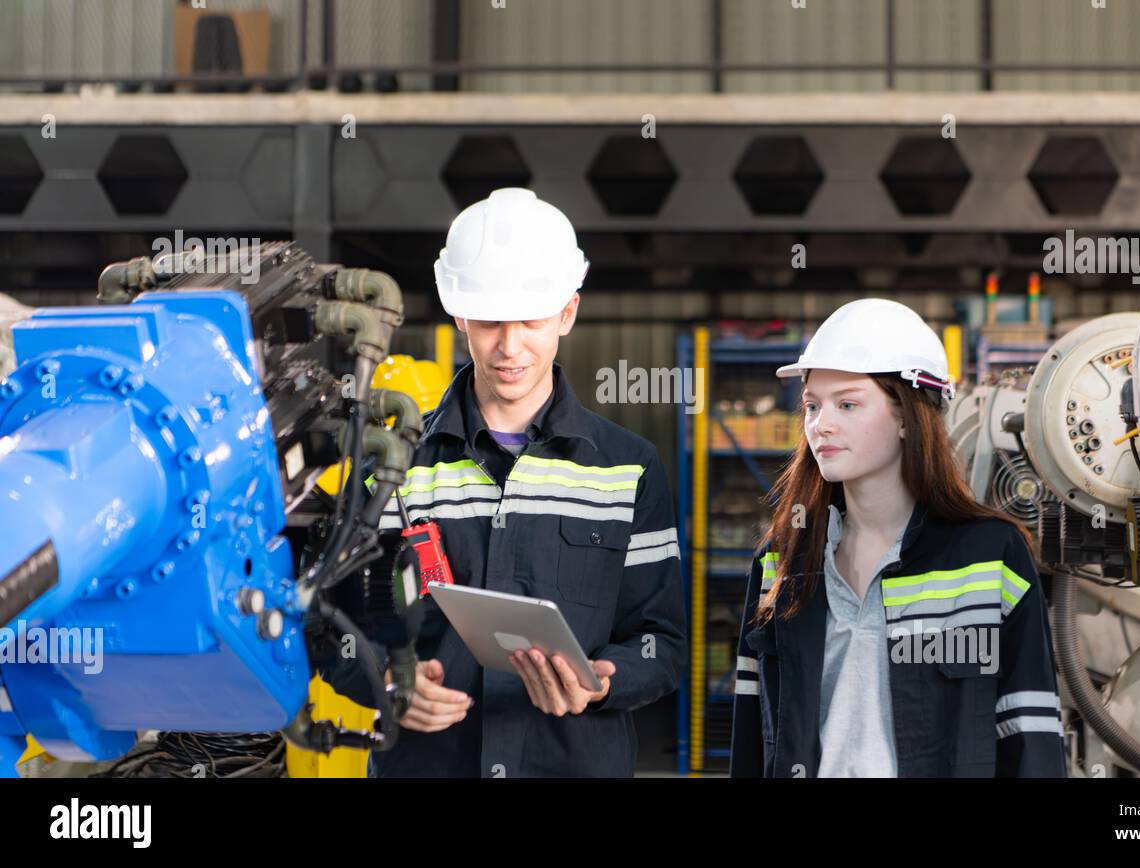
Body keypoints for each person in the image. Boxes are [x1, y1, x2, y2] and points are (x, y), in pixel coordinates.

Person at [326, 188, 686, 777]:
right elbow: (334, 626)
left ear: (567, 314)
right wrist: (388, 681)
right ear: (460, 313)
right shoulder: (390, 466)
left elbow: (661, 643)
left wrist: (603, 683)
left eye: (532, 320)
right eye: (490, 320)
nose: (510, 346)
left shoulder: (629, 469)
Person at [730, 298, 1066, 778]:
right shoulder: (781, 559)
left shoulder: (990, 558)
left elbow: (1030, 736)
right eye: (812, 406)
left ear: (908, 415)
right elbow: (750, 734)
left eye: (848, 404)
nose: (820, 424)